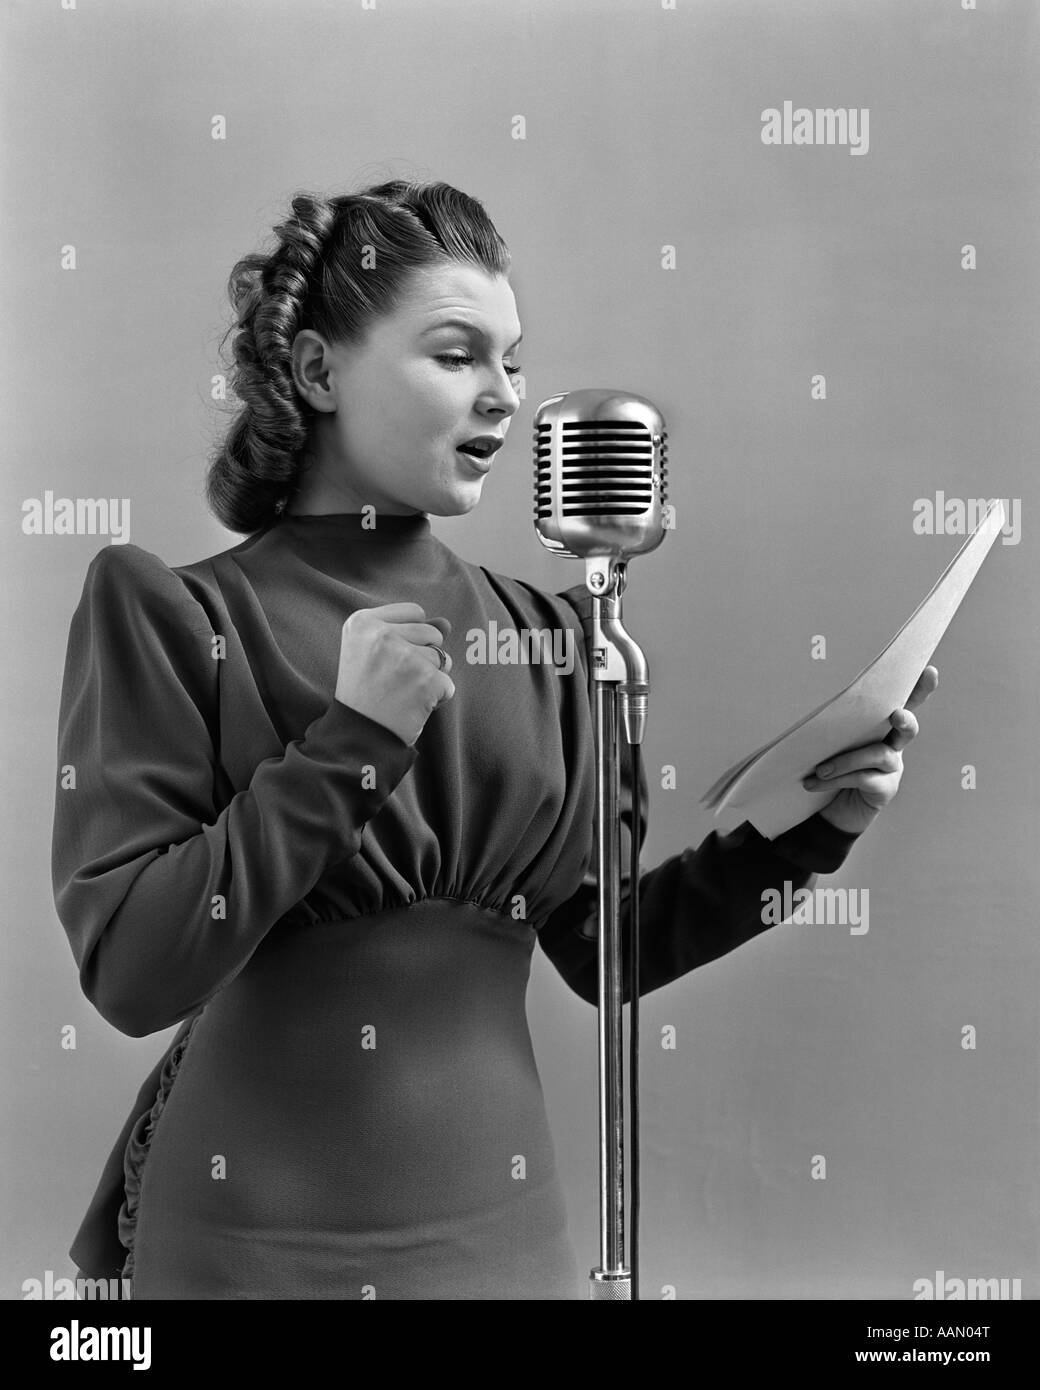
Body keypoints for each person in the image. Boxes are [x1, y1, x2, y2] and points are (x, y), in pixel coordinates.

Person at [51, 179, 937, 1301]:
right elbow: (133, 974)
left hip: (505, 1248)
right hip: (244, 1247)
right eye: (457, 354)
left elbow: (601, 952)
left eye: (513, 363)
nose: (505, 398)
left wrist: (799, 839)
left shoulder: (559, 638)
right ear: (319, 372)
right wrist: (352, 741)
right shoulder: (175, 616)